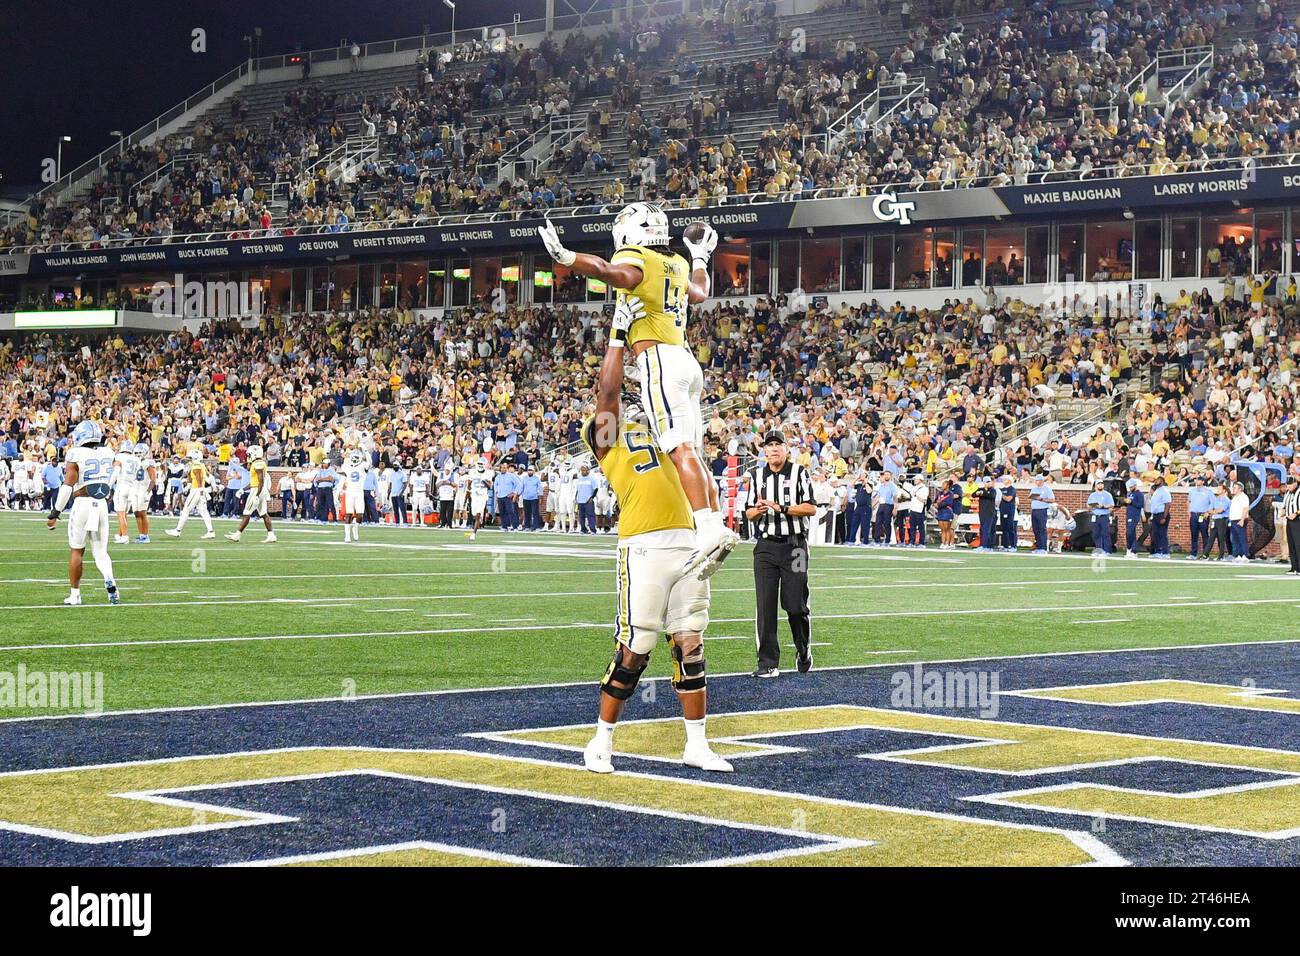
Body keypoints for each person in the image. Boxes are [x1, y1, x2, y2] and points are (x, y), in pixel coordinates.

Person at [539, 204, 738, 578]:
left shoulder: (638, 258)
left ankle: (708, 529)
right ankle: (711, 525)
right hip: (686, 360)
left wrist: (566, 257)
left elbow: (607, 271)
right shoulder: (675, 262)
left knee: (679, 447)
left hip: (659, 360)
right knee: (692, 450)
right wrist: (699, 256)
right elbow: (699, 292)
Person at [580, 299, 732, 774]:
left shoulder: (676, 431)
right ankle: (601, 742)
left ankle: (696, 744)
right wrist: (617, 339)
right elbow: (607, 395)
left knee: (691, 644)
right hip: (643, 545)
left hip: (688, 542)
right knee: (636, 648)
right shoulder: (609, 436)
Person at [745, 430, 816, 678]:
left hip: (795, 546)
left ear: (786, 449)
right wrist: (759, 509)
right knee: (765, 605)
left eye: (778, 444)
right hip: (765, 547)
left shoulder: (799, 473)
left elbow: (811, 508)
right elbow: (748, 513)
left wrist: (782, 508)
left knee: (795, 605)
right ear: (764, 451)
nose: (774, 449)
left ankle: (803, 649)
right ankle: (767, 663)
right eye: (769, 445)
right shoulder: (756, 476)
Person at [46, 420, 122, 607]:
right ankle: (109, 579)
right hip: (101, 504)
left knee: (77, 550)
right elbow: (115, 471)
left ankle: (75, 595)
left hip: (82, 505)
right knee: (101, 552)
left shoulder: (75, 453)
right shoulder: (107, 452)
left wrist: (55, 512)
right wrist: (107, 488)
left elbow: (68, 485)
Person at [225, 444, 277, 543]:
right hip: (257, 489)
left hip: (257, 491)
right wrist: (243, 489)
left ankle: (237, 534)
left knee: (247, 513)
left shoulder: (258, 464)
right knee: (264, 514)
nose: (248, 457)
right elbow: (254, 482)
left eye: (249, 455)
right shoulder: (257, 463)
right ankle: (271, 535)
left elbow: (260, 481)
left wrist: (257, 495)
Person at [166, 447, 216, 539]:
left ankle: (177, 531)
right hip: (199, 489)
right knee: (204, 512)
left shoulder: (196, 466)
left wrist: (200, 490)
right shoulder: (200, 465)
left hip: (197, 490)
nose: (189, 460)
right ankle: (211, 531)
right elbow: (205, 476)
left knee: (186, 510)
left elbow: (199, 479)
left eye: (191, 458)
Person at [1187, 474, 1213, 560]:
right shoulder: (1192, 491)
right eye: (1196, 480)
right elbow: (1189, 501)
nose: (1196, 481)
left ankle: (1206, 554)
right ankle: (1193, 553)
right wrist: (1189, 511)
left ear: (1202, 481)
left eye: (1198, 480)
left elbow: (1212, 503)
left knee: (1204, 534)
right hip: (1194, 514)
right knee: (1194, 535)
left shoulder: (1208, 491)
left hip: (1203, 514)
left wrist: (1208, 512)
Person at [1087, 478, 1115, 555]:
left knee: (1105, 533)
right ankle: (1099, 549)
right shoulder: (1092, 495)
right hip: (1095, 516)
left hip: (1104, 516)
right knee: (1096, 534)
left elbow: (1112, 505)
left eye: (1101, 484)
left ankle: (1107, 550)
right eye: (1099, 484)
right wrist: (1091, 507)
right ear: (1096, 485)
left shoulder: (1107, 494)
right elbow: (1088, 506)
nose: (1100, 485)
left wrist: (1103, 506)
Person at [1148, 474, 1172, 558]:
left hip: (1162, 514)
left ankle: (1165, 552)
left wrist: (1164, 517)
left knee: (1162, 533)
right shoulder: (1156, 491)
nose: (1156, 481)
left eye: (1158, 480)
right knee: (1155, 534)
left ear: (1161, 481)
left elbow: (1168, 504)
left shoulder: (1164, 491)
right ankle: (1157, 551)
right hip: (1155, 514)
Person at [1029, 474, 1053, 554]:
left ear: (1042, 481)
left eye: (1038, 480)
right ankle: (1038, 546)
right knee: (1035, 529)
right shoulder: (1034, 489)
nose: (1036, 482)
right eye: (1035, 480)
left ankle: (1043, 547)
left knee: (1042, 529)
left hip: (1042, 510)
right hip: (1034, 510)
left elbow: (1052, 499)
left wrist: (1042, 499)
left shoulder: (1047, 489)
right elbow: (1030, 499)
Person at [1229, 480, 1251, 563]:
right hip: (1233, 520)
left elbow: (1245, 508)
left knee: (1242, 538)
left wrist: (1242, 519)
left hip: (1239, 519)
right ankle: (1238, 554)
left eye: (1235, 488)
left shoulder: (1243, 497)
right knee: (1235, 539)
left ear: (1240, 489)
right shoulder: (1235, 497)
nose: (1233, 489)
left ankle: (1245, 554)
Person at [1282, 474, 1300, 574]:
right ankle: (1294, 567)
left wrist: (1296, 513)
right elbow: (1286, 505)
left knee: (1298, 544)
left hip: (1298, 520)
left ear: (1295, 483)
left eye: (1290, 485)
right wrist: (1283, 510)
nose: (1288, 487)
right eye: (1287, 485)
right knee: (1291, 544)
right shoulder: (1288, 493)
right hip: (1289, 520)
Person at [1123, 477, 1145, 558]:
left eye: (1131, 487)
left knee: (1130, 532)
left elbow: (1140, 505)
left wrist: (1132, 502)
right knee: (1130, 533)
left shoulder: (1139, 494)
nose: (1130, 488)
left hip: (1135, 515)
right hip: (1129, 514)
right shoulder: (1130, 494)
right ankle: (1130, 549)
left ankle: (1133, 550)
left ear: (1135, 486)